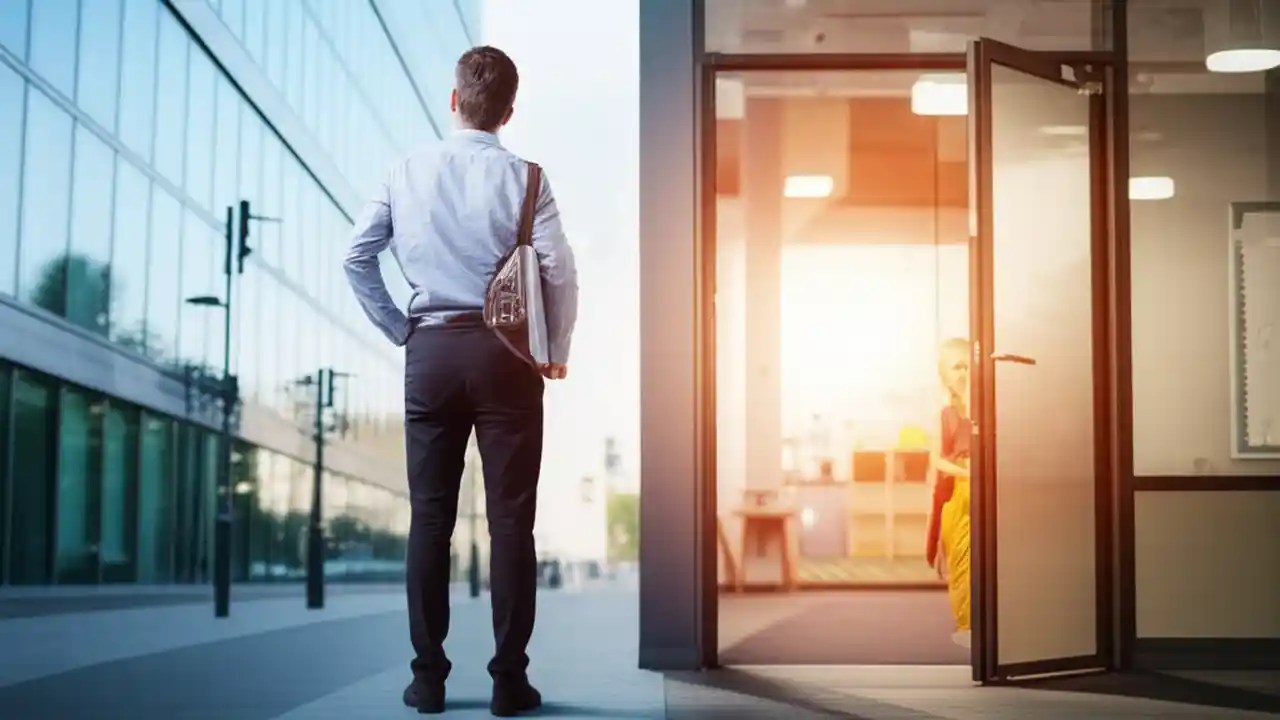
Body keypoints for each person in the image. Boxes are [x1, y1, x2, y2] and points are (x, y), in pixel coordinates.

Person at [343, 46, 578, 716]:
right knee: (511, 523)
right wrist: (553, 346)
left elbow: (356, 256)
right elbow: (559, 269)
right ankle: (509, 682)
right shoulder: (528, 177)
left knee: (431, 518)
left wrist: (398, 326)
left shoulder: (404, 171)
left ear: (455, 101)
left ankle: (428, 681)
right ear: (507, 111)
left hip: (432, 354)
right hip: (507, 355)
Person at [925, 338, 972, 649]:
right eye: (957, 367)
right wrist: (969, 473)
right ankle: (967, 625)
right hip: (962, 494)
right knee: (963, 564)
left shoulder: (988, 409)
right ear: (944, 375)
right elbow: (937, 460)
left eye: (969, 365)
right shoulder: (945, 414)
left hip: (989, 492)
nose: (964, 373)